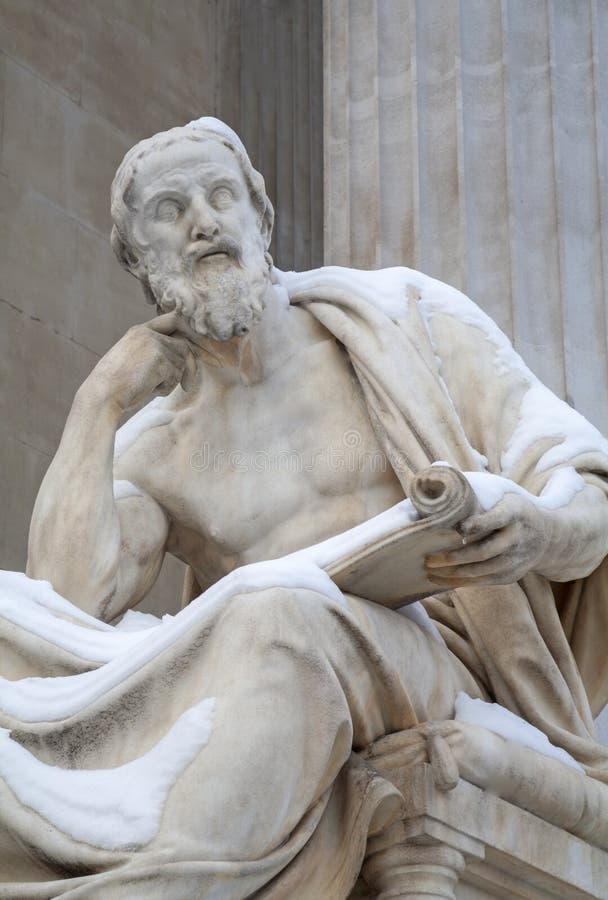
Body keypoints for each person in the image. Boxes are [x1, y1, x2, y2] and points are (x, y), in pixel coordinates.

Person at [2, 117, 608, 897]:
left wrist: (540, 533)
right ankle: (119, 853)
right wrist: (98, 404)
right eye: (170, 209)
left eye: (222, 196)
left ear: (263, 219)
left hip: (438, 662)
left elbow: (586, 480)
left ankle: (159, 883)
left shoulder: (402, 320)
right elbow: (62, 608)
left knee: (276, 609)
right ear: (136, 258)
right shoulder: (156, 444)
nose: (203, 222)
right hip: (274, 674)